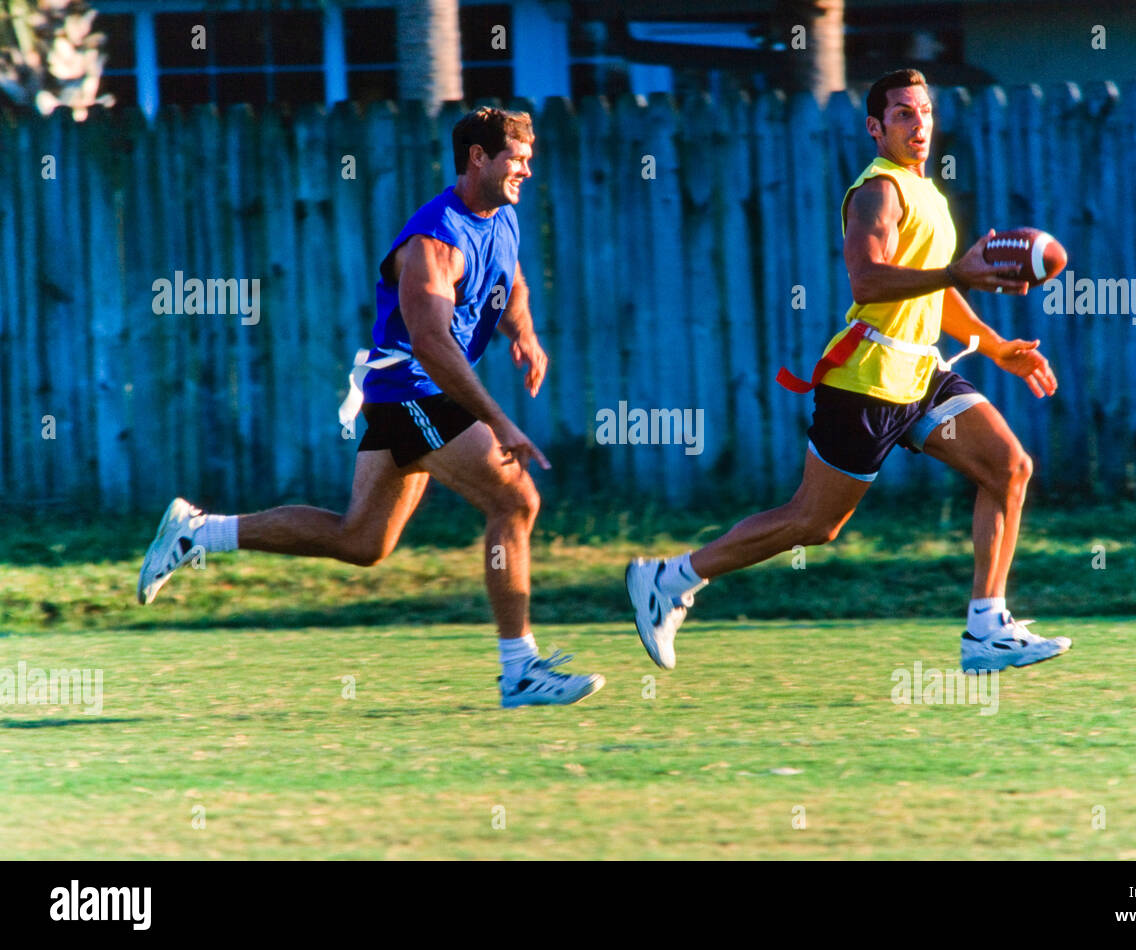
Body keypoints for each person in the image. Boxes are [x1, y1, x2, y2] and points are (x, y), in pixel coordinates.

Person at [138, 107, 604, 709]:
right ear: (477, 158)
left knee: (362, 541)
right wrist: (499, 420)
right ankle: (520, 670)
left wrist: (526, 333)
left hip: (417, 395)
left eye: (529, 160)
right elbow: (432, 344)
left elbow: (510, 281)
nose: (526, 170)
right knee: (515, 498)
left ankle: (198, 533)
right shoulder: (433, 241)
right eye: (516, 159)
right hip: (412, 388)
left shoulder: (501, 218)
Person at [626, 69, 1070, 675]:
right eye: (903, 115)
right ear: (875, 127)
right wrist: (957, 275)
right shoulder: (877, 192)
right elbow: (869, 279)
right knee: (814, 522)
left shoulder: (929, 195)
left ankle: (986, 627)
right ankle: (670, 578)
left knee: (1009, 466)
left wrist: (995, 347)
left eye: (925, 113)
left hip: (922, 375)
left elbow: (933, 293)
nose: (919, 125)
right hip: (866, 379)